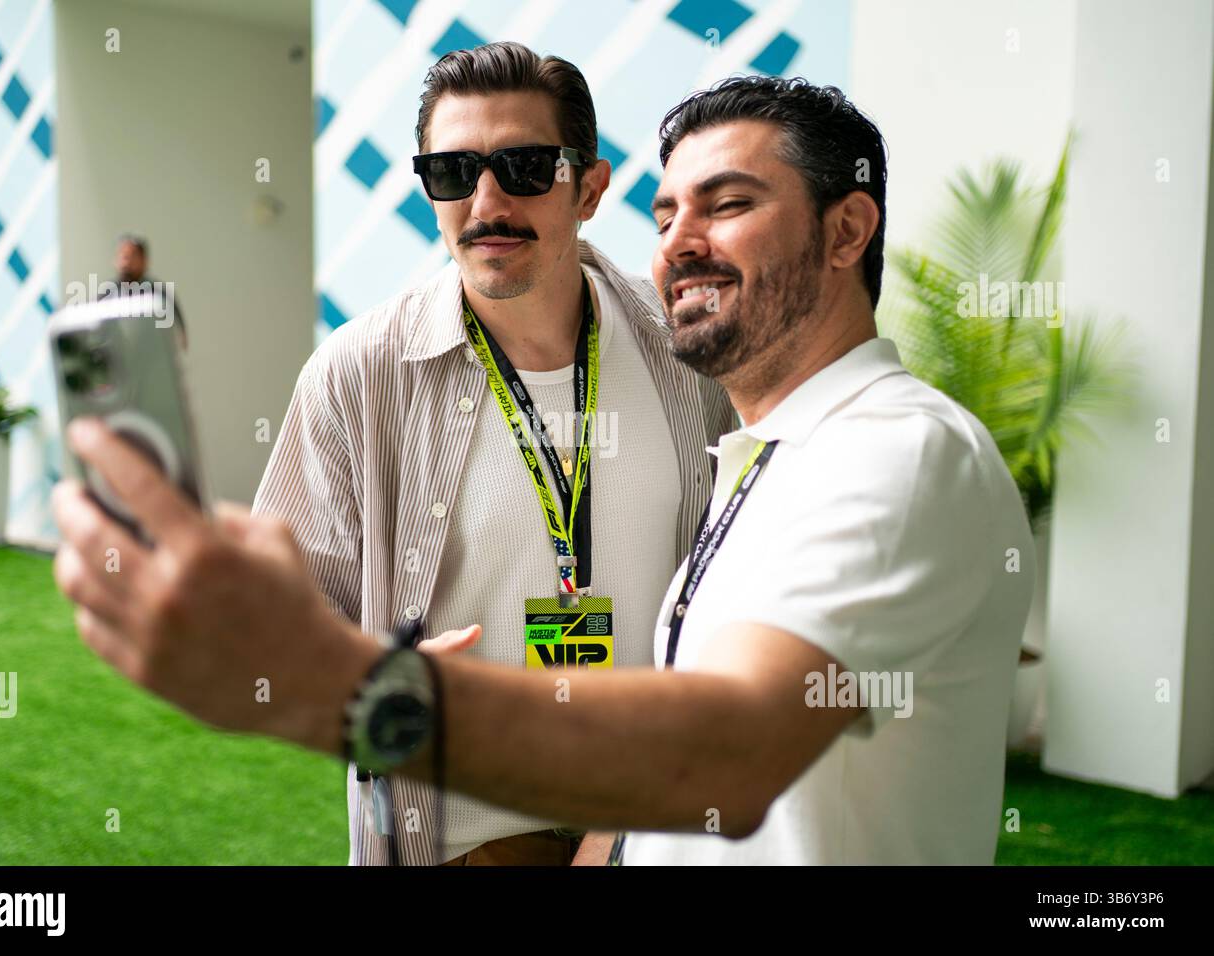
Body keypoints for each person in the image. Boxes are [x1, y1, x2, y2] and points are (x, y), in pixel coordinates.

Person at [50, 75, 1034, 865]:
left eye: (728, 204)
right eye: (666, 215)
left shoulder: (896, 450)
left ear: (846, 230)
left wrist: (351, 688)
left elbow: (727, 752)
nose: (679, 243)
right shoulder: (764, 453)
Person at [99, 234, 187, 350]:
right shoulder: (107, 294)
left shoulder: (158, 293)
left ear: (144, 261)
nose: (126, 261)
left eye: (132, 256)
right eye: (122, 255)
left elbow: (179, 336)